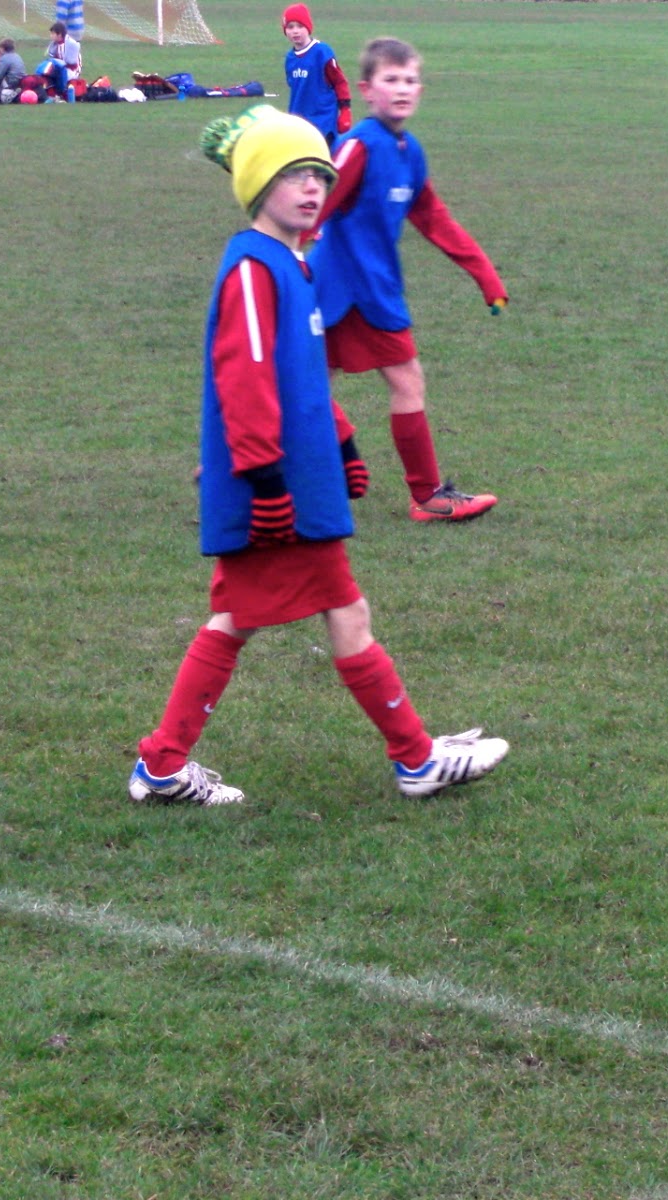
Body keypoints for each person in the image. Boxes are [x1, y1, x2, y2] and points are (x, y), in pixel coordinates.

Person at [128, 106, 509, 808]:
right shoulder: (252, 268)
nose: (311, 187)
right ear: (257, 184)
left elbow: (298, 372)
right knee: (342, 611)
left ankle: (161, 764)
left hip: (295, 480)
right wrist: (268, 481)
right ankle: (416, 758)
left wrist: (342, 438)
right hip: (275, 489)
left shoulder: (290, 263)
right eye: (294, 174)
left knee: (243, 618)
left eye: (318, 175)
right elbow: (244, 381)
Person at [307, 37, 508, 524]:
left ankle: (424, 496)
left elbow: (434, 218)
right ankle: (422, 494)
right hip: (340, 289)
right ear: (367, 90)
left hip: (374, 290)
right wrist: (282, 258)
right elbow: (316, 204)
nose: (402, 89)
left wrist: (485, 275)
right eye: (390, 80)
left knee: (332, 383)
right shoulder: (359, 145)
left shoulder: (407, 150)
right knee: (321, 383)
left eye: (410, 80)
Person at [281, 3, 353, 147]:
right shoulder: (290, 58)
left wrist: (345, 110)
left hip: (323, 121)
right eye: (290, 27)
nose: (295, 31)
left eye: (300, 26)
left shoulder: (322, 52)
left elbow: (339, 82)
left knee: (324, 164)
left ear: (308, 27)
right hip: (299, 121)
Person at [36, 20, 79, 102]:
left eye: (52, 33)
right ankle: (51, 95)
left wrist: (56, 65)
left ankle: (60, 93)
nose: (51, 36)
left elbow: (72, 64)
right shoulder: (54, 44)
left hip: (71, 71)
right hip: (61, 68)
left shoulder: (71, 44)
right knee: (44, 72)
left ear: (59, 34)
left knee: (53, 72)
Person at [0, 40, 27, 104]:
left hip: (10, 83)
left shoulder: (4, 58)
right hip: (20, 81)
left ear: (3, 48)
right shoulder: (17, 56)